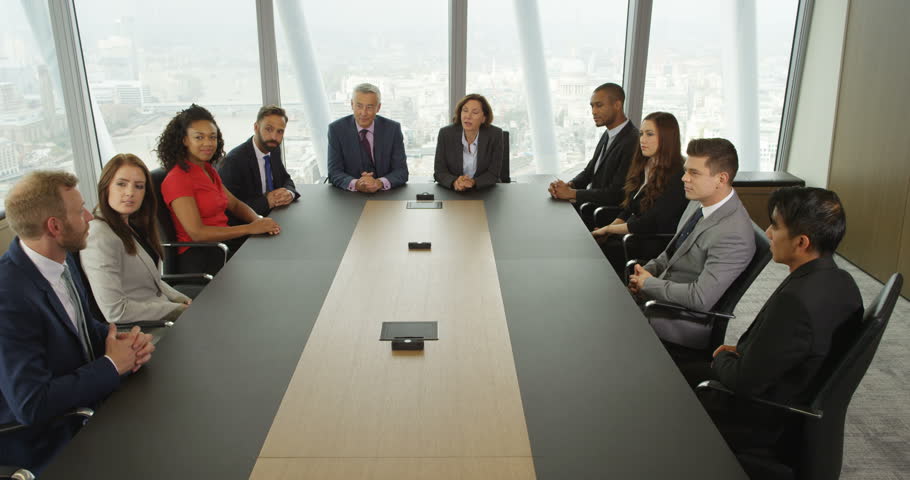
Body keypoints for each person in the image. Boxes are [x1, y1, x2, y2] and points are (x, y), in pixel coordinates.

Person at [0, 171, 155, 473]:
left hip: (88, 405)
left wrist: (124, 342)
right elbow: (32, 404)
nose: (89, 217)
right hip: (49, 441)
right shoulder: (8, 297)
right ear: (55, 226)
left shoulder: (62, 259)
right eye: (80, 210)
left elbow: (78, 328)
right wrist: (112, 365)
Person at [689, 187, 863, 454]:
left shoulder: (796, 303)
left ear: (801, 242)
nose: (768, 233)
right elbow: (791, 349)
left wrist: (720, 355)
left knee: (667, 387)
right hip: (788, 397)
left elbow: (744, 382)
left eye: (775, 226)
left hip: (762, 421)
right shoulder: (842, 281)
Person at [628, 138, 755, 361]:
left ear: (721, 179)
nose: (684, 178)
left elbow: (700, 298)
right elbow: (672, 253)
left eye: (694, 173)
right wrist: (647, 271)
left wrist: (648, 284)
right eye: (686, 170)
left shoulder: (733, 233)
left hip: (684, 319)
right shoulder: (699, 201)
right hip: (662, 296)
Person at [157, 104, 281, 275]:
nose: (208, 143)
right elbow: (197, 233)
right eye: (199, 137)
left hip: (222, 245)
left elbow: (235, 204)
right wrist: (249, 228)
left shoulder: (208, 170)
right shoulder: (177, 179)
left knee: (276, 255)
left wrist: (259, 220)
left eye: (212, 137)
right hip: (201, 257)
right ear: (184, 140)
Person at [81, 154, 192, 325]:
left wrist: (180, 299)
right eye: (121, 184)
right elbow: (116, 311)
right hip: (144, 328)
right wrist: (176, 311)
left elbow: (151, 281)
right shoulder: (99, 236)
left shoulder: (130, 224)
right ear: (105, 186)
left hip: (160, 312)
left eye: (139, 186)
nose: (130, 193)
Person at [591, 112, 688, 276]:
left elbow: (648, 223)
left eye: (649, 134)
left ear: (667, 138)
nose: (642, 139)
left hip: (650, 242)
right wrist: (608, 230)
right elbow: (629, 208)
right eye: (641, 134)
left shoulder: (678, 176)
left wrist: (609, 229)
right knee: (594, 245)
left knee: (597, 254)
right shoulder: (647, 165)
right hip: (633, 234)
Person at [548, 83, 638, 208]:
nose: (593, 112)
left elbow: (616, 194)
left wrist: (572, 193)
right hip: (590, 205)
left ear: (617, 105)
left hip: (602, 213)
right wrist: (569, 186)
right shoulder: (608, 134)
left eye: (599, 105)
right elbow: (589, 172)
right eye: (592, 106)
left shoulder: (633, 141)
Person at [218, 104, 300, 223]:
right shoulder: (233, 161)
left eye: (280, 131)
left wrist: (289, 193)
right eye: (269, 129)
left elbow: (285, 178)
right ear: (256, 127)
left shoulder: (273, 149)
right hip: (248, 227)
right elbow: (230, 210)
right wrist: (267, 202)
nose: (274, 137)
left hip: (276, 217)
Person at [327, 83, 409, 191]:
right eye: (359, 106)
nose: (363, 113)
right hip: (349, 196)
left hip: (385, 194)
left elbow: (401, 171)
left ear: (378, 107)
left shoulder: (392, 129)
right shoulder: (336, 130)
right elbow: (334, 173)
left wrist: (379, 183)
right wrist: (356, 184)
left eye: (369, 107)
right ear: (352, 104)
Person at [434, 93, 503, 191]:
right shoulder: (446, 134)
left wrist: (473, 182)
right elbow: (439, 172)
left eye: (475, 112)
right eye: (465, 111)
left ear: (484, 118)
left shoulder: (495, 135)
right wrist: (455, 182)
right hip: (454, 191)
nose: (468, 116)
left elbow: (493, 173)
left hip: (484, 190)